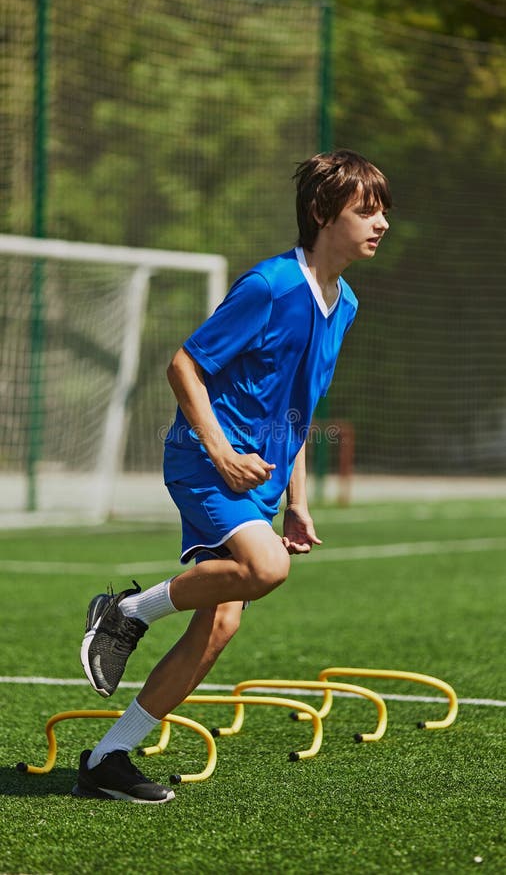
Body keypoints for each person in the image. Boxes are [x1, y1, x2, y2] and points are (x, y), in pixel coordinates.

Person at [73, 149, 392, 803]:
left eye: (383, 208)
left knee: (219, 626)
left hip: (260, 479)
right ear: (321, 213)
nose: (381, 222)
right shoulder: (272, 285)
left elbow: (296, 411)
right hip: (205, 461)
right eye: (367, 209)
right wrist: (220, 452)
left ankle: (107, 757)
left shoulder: (346, 303)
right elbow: (183, 365)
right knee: (268, 567)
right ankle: (126, 611)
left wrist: (298, 502)